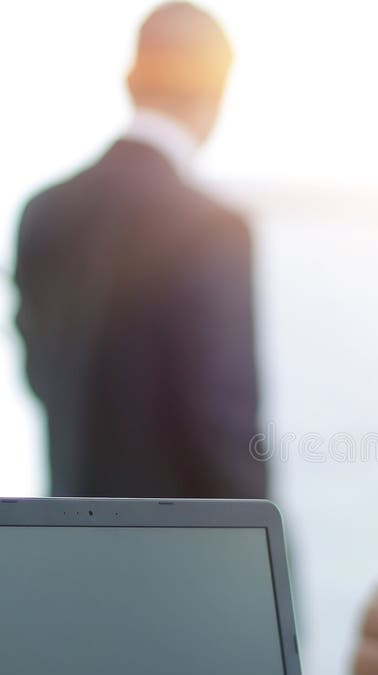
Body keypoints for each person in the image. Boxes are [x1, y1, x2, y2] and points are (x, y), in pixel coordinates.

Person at [14, 2, 265, 499]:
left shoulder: (43, 212)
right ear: (217, 93)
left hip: (66, 528)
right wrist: (266, 533)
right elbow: (224, 425)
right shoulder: (212, 229)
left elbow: (42, 378)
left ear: (131, 81)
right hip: (179, 540)